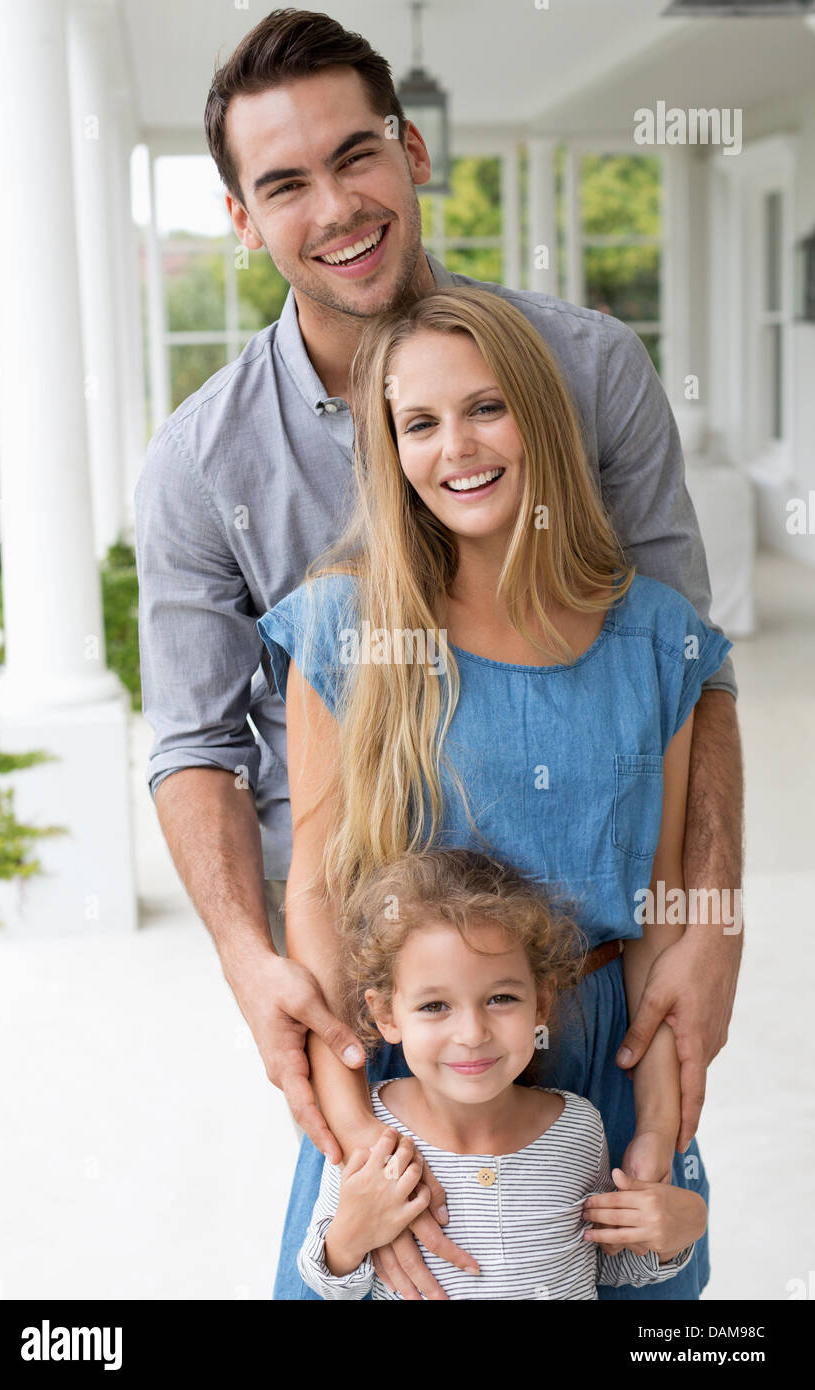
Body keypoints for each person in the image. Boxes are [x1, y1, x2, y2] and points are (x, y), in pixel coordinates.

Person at [133, 9, 743, 1300]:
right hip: (391, 1015)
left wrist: (710, 921)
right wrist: (264, 978)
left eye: (358, 154)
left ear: (413, 151)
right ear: (242, 217)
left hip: (595, 996)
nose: (337, 204)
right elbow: (196, 749)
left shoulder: (591, 367)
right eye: (284, 182)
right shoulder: (207, 472)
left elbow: (688, 671)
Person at [256, 286, 732, 1299]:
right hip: (410, 1070)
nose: (456, 447)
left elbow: (654, 903)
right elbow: (314, 898)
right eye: (418, 422)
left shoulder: (653, 639)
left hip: (606, 1048)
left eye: (485, 407)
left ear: (539, 417)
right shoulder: (345, 631)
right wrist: (357, 1149)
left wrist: (654, 1121)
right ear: (390, 449)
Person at [295, 850, 707, 1300]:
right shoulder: (370, 1138)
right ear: (385, 1015)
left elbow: (614, 1262)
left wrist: (679, 1230)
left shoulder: (578, 1128)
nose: (472, 1034)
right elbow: (329, 1282)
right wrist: (349, 1239)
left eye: (501, 998)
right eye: (435, 1006)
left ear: (542, 1003)